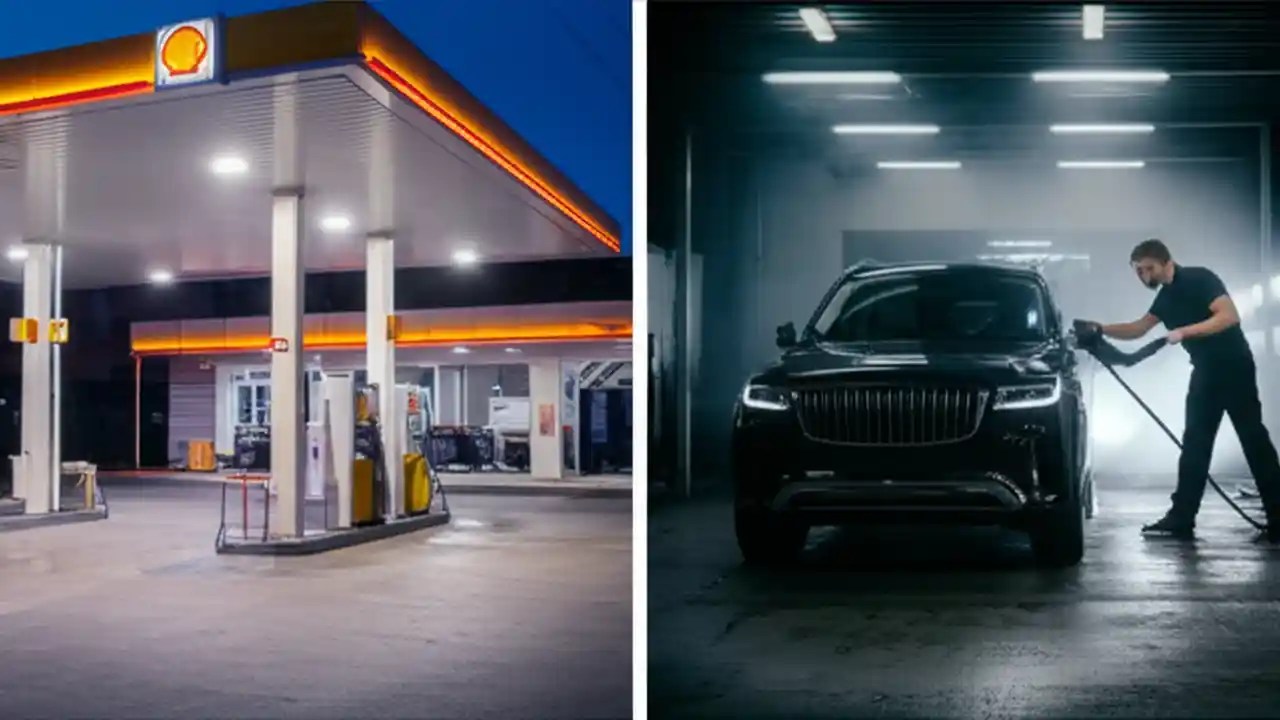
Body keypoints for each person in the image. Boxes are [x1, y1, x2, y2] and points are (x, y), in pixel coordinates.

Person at [1082, 239, 1280, 541]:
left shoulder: (1200, 279)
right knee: (1195, 445)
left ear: (1165, 262)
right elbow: (1138, 328)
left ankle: (1278, 516)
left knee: (1253, 439)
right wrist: (1101, 329)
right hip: (1205, 371)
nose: (1143, 276)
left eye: (1147, 268)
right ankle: (1181, 518)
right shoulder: (1165, 298)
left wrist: (1185, 331)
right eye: (1138, 271)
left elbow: (1229, 317)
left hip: (1234, 367)